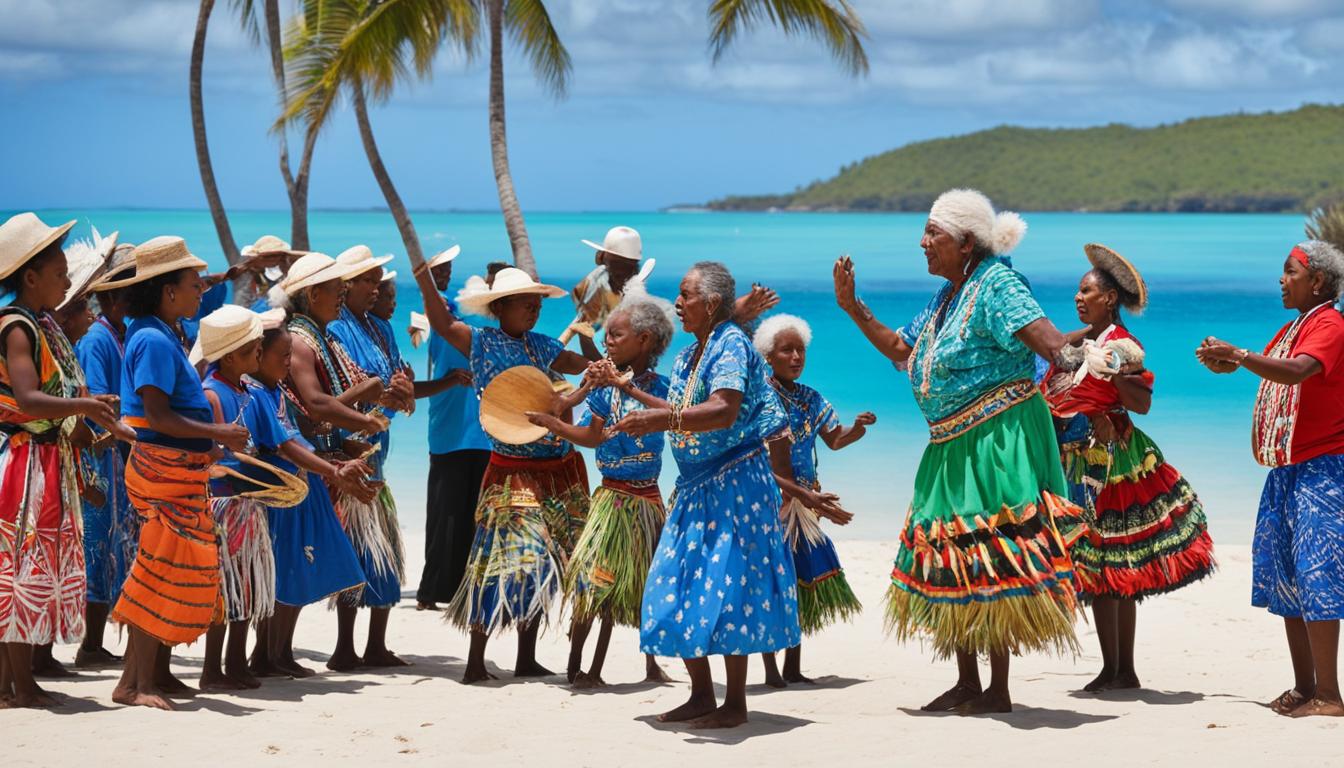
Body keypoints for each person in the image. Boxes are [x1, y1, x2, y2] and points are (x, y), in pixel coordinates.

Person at [834, 189, 1084, 715]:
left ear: (966, 242)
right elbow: (903, 349)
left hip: (997, 438)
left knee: (991, 550)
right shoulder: (949, 294)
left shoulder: (996, 283)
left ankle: (997, 689)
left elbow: (1047, 340)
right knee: (950, 551)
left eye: (933, 234)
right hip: (951, 443)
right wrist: (854, 308)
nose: (922, 242)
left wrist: (1087, 354)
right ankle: (967, 682)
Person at [613, 261, 849, 729]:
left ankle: (734, 703)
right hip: (696, 486)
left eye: (686, 295)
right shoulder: (688, 356)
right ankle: (702, 695)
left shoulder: (732, 346)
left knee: (728, 591)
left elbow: (724, 409)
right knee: (673, 586)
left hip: (736, 485)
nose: (677, 303)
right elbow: (684, 410)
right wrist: (635, 397)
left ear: (712, 303)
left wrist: (659, 420)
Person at [1043, 244, 1215, 693]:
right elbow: (1055, 358)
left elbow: (1141, 403)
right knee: (1107, 565)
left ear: (1110, 299)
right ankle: (1118, 669)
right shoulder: (1085, 340)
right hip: (1082, 453)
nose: (1079, 297)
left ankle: (1119, 669)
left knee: (1108, 564)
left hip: (1112, 461)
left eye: (1088, 291)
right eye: (1078, 291)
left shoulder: (1123, 345)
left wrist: (1113, 380)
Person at [415, 264, 594, 683]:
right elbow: (441, 321)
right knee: (499, 563)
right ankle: (476, 661)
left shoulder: (543, 346)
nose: (534, 309)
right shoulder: (479, 342)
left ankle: (526, 657)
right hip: (510, 472)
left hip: (556, 469)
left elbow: (586, 365)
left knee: (545, 563)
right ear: (501, 306)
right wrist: (423, 275)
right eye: (525, 304)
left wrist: (596, 345)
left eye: (537, 304)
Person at [98, 236, 250, 710]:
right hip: (163, 474)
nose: (200, 290)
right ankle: (135, 684)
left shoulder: (159, 333)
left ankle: (153, 675)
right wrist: (220, 433)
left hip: (177, 473)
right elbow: (157, 416)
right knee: (158, 570)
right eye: (192, 283)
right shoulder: (151, 338)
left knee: (171, 567)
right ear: (168, 291)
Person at [1196, 240, 1344, 718]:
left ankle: (1329, 694)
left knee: (1317, 574)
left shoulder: (1330, 325)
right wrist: (1231, 363)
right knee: (1287, 574)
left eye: (1290, 272)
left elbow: (1298, 371)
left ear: (1317, 281)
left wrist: (1238, 355)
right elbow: (1275, 371)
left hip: (1324, 466)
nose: (1282, 280)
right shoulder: (1296, 326)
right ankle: (1305, 688)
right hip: (1288, 468)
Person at [0, 213, 125, 708]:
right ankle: (20, 684)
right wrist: (85, 408)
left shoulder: (42, 325)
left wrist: (99, 424)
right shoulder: (16, 328)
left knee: (27, 567)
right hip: (24, 462)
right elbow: (29, 399)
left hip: (46, 459)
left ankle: (16, 680)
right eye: (59, 271)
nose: (69, 281)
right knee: (19, 568)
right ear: (30, 276)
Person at [524, 293, 677, 687]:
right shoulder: (604, 389)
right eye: (607, 335)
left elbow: (677, 417)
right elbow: (590, 437)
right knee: (595, 583)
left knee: (640, 583)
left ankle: (637, 665)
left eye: (616, 335)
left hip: (648, 500)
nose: (607, 341)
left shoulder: (661, 387)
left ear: (644, 340)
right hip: (611, 499)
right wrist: (555, 425)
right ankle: (578, 666)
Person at [273, 252, 392, 671]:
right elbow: (314, 404)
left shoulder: (325, 336)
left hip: (323, 456)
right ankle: (273, 653)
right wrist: (364, 417)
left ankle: (277, 653)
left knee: (302, 559)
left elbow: (340, 395)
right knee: (294, 557)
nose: (342, 294)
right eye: (334, 289)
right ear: (310, 294)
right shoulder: (302, 341)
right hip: (303, 461)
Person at [751, 313, 871, 687]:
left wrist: (858, 429)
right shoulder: (760, 397)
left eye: (801, 350)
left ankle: (792, 667)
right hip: (772, 500)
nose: (796, 357)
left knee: (801, 581)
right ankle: (771, 671)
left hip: (807, 499)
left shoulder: (809, 397)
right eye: (787, 350)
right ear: (768, 356)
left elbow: (834, 439)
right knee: (774, 582)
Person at [248, 311, 368, 678]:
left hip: (302, 491)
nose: (288, 364)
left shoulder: (275, 394)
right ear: (256, 355)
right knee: (283, 573)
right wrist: (332, 468)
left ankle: (279, 651)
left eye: (290, 357)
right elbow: (283, 445)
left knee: (297, 570)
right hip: (281, 498)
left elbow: (298, 441)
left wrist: (332, 459)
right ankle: (267, 653)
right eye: (282, 357)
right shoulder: (256, 395)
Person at [325, 245, 414, 669]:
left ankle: (376, 645)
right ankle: (345, 646)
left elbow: (393, 381)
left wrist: (405, 392)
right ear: (348, 285)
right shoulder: (337, 331)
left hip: (380, 448)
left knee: (385, 552)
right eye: (369, 281)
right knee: (355, 550)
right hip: (352, 449)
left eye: (378, 280)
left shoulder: (380, 329)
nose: (377, 288)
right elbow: (340, 392)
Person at [195, 305, 275, 691]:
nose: (260, 352)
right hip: (223, 502)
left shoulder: (250, 392)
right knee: (223, 588)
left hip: (248, 500)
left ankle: (237, 662)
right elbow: (203, 451)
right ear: (230, 355)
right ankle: (212, 669)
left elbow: (278, 441)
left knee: (246, 583)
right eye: (252, 348)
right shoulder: (211, 395)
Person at [72, 243, 137, 668]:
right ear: (112, 296)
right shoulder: (99, 338)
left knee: (114, 545)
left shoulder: (118, 332)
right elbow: (95, 400)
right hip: (101, 456)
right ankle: (91, 643)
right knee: (99, 547)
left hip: (116, 454)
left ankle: (96, 642)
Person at [413, 247, 485, 612]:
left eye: (447, 269)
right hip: (451, 425)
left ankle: (460, 588)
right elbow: (429, 322)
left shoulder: (478, 324)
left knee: (469, 511)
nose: (444, 275)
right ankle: (431, 588)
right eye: (437, 270)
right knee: (446, 511)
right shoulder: (442, 314)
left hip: (479, 427)